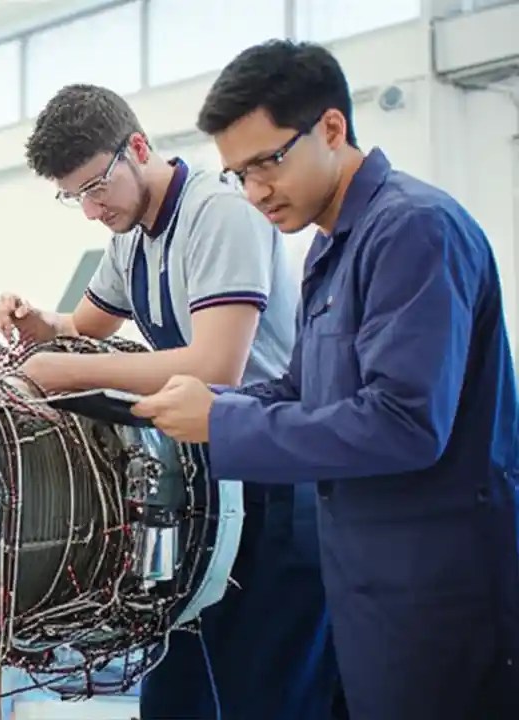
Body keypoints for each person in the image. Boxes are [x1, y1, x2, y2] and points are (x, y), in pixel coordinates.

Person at [133, 39, 519, 720]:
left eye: (266, 163)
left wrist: (222, 421)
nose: (254, 193)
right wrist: (201, 403)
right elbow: (301, 388)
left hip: (436, 590)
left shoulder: (413, 231)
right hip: (362, 581)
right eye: (238, 176)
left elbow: (404, 423)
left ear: (332, 128)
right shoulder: (331, 246)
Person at [0, 84, 341, 720]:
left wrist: (63, 373)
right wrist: (39, 324)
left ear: (139, 147)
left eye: (97, 187)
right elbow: (86, 325)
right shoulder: (131, 233)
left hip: (269, 483)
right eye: (75, 197)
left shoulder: (218, 213)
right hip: (199, 493)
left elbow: (216, 367)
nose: (92, 211)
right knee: (177, 695)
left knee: (267, 694)